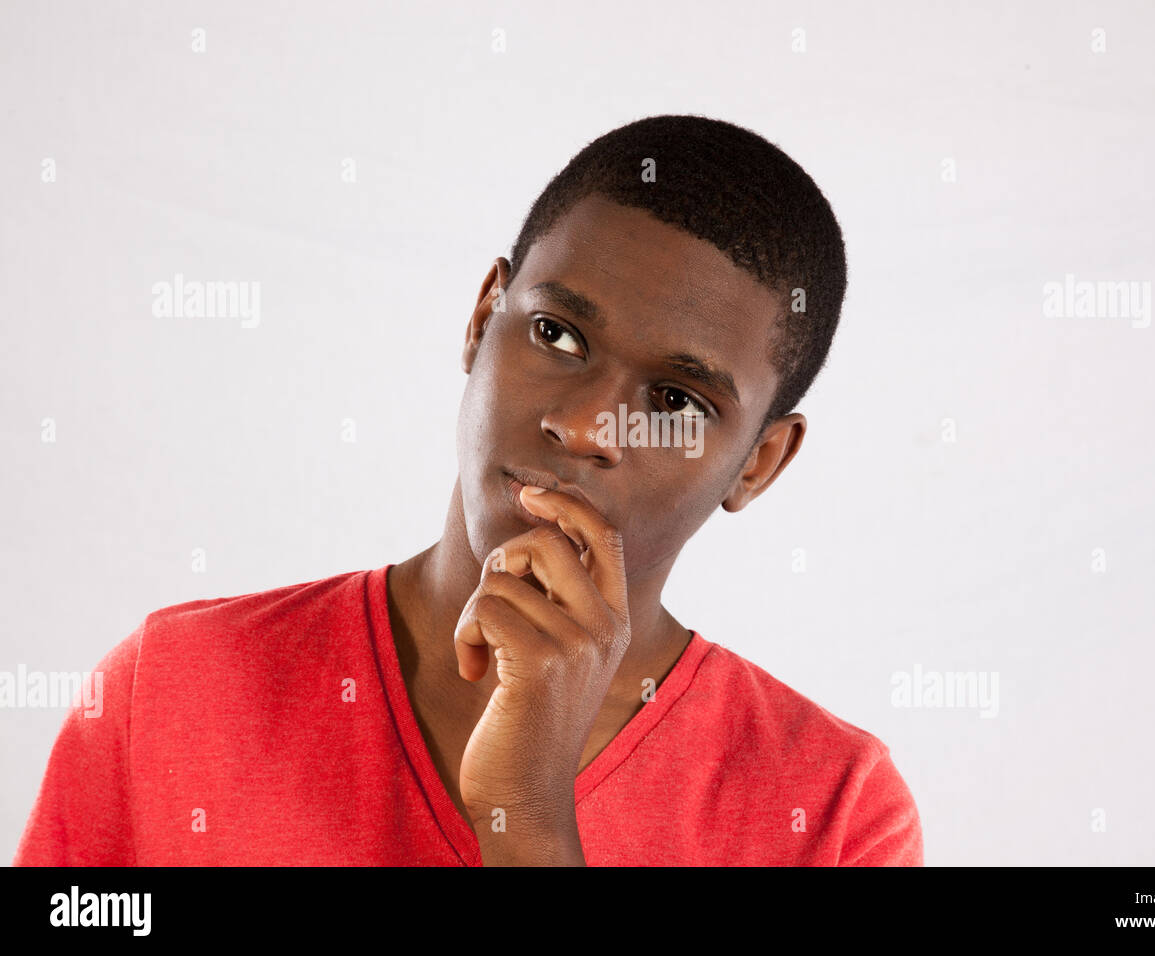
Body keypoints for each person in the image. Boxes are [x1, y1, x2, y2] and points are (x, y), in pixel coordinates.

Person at [14, 114, 923, 866]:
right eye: (559, 335)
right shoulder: (172, 689)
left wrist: (526, 821)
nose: (585, 427)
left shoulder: (834, 812)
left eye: (676, 400)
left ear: (758, 463)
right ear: (484, 318)